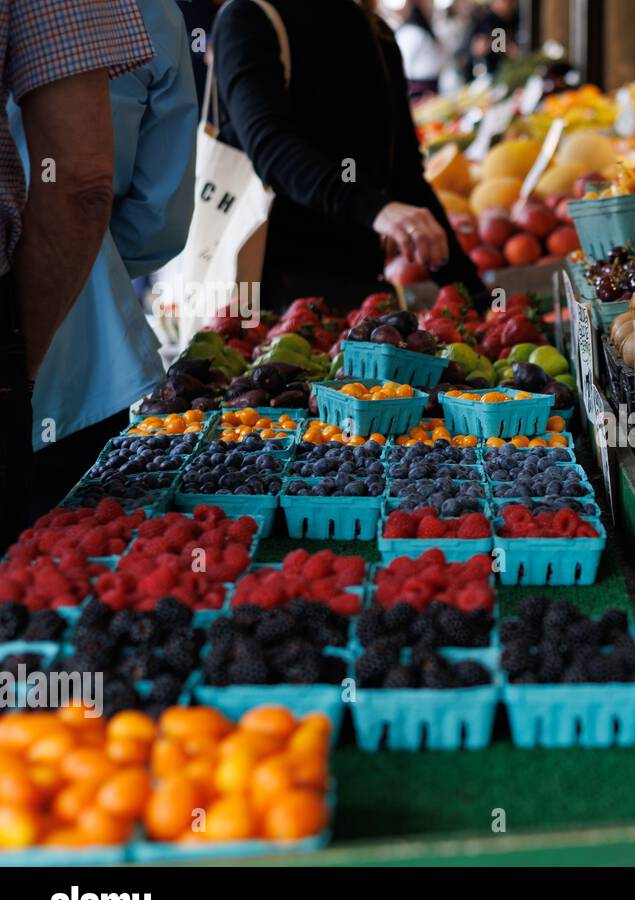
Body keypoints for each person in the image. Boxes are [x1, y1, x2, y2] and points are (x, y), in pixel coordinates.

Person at [10, 0, 197, 519]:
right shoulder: (147, 10)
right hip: (83, 352)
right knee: (59, 570)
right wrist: (93, 272)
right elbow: (156, 216)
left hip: (74, 347)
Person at [212, 0, 485, 312]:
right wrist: (374, 209)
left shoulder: (374, 32)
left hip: (358, 295)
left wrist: (471, 294)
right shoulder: (249, 18)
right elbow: (271, 148)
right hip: (265, 296)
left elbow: (405, 175)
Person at [462, 0, 519, 82]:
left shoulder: (516, 18)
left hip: (509, 71)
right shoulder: (485, 20)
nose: (506, 5)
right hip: (488, 73)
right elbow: (475, 48)